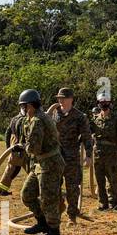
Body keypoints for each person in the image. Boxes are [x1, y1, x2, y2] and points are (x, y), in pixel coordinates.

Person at [13, 89, 63, 235]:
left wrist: (23, 147)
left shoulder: (38, 121)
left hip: (50, 164)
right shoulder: (35, 118)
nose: (23, 110)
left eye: (24, 107)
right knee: (27, 194)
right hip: (39, 163)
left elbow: (34, 148)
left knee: (49, 199)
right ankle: (41, 223)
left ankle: (54, 232)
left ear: (30, 106)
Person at [47, 87, 93, 224]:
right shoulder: (54, 114)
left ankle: (72, 215)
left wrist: (89, 155)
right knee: (54, 186)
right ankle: (57, 213)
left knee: (72, 187)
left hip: (72, 156)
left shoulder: (80, 116)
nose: (60, 101)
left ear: (71, 99)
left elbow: (87, 137)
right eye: (59, 98)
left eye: (64, 98)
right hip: (55, 156)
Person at [91, 96, 117, 210]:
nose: (104, 104)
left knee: (112, 179)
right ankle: (102, 203)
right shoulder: (95, 119)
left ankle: (114, 202)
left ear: (110, 103)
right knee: (99, 179)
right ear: (98, 104)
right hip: (98, 153)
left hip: (111, 153)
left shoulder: (116, 119)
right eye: (101, 102)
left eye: (106, 102)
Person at [0, 101, 29, 196]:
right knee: (15, 169)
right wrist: (9, 148)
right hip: (19, 149)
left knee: (13, 169)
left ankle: (2, 189)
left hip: (17, 148)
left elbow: (8, 133)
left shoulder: (16, 119)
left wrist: (8, 148)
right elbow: (9, 133)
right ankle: (2, 189)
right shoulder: (21, 119)